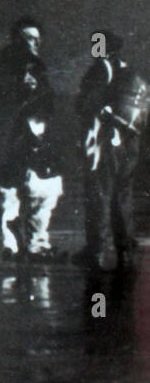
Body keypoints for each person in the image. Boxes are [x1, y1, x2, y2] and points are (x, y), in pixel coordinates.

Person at [0, 17, 54, 257]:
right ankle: (9, 243)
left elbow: (46, 100)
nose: (33, 43)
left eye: (36, 39)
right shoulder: (1, 65)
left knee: (41, 189)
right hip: (9, 133)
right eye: (28, 38)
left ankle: (37, 244)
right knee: (8, 189)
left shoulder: (37, 67)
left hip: (35, 134)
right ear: (16, 40)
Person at [76, 30, 147, 271]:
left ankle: (96, 251)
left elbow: (88, 104)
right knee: (122, 195)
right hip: (129, 141)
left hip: (106, 140)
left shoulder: (100, 69)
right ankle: (125, 250)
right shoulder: (128, 71)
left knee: (99, 193)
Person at [0, 98, 63, 258]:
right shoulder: (35, 125)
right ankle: (30, 244)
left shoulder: (25, 123)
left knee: (11, 204)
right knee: (33, 209)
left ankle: (16, 244)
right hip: (34, 173)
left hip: (29, 172)